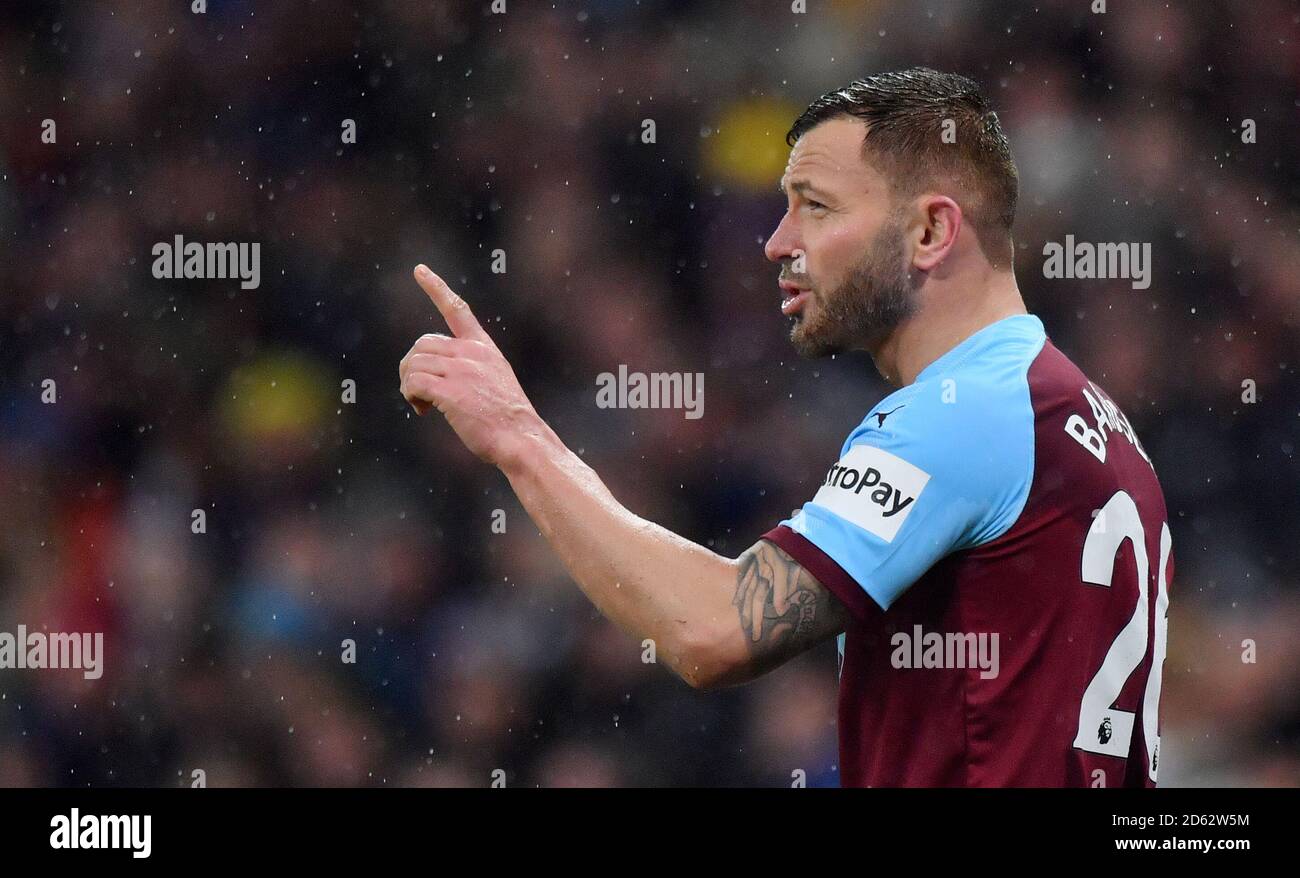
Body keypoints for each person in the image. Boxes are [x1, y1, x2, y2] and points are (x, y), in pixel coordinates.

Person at [398, 68, 1173, 787]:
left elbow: (714, 631)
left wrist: (519, 438)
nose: (777, 242)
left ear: (933, 232)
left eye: (817, 205)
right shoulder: (1087, 417)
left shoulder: (963, 413)